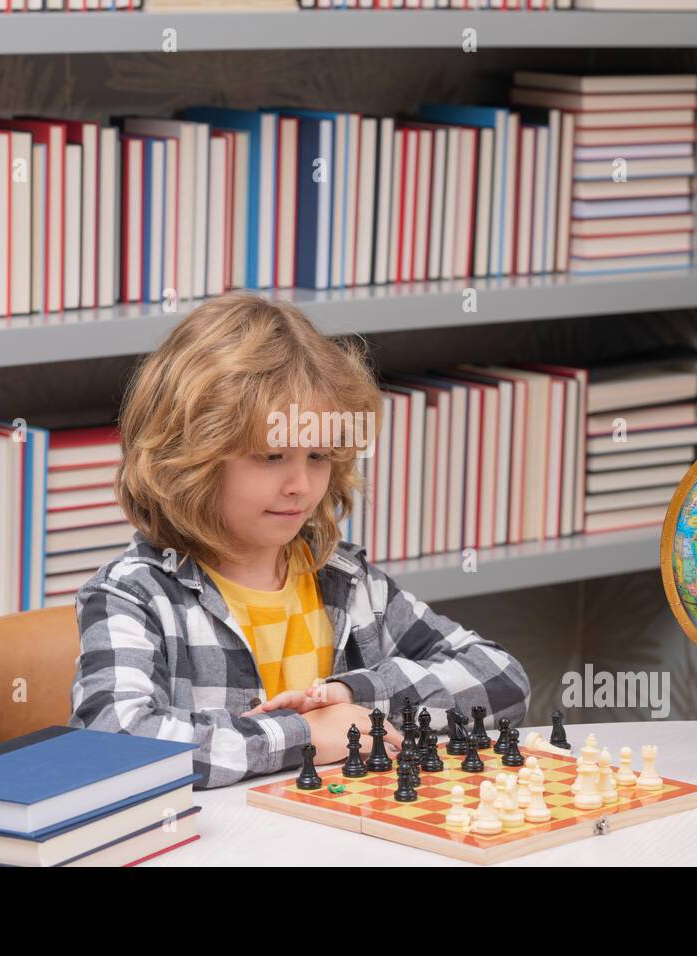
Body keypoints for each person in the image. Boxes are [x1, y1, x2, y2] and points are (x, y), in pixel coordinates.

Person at [67, 291, 532, 788]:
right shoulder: (133, 595)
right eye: (271, 457)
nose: (301, 486)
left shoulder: (345, 580)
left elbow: (503, 679)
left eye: (319, 456)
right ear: (189, 458)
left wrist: (355, 696)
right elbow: (113, 743)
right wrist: (305, 732)